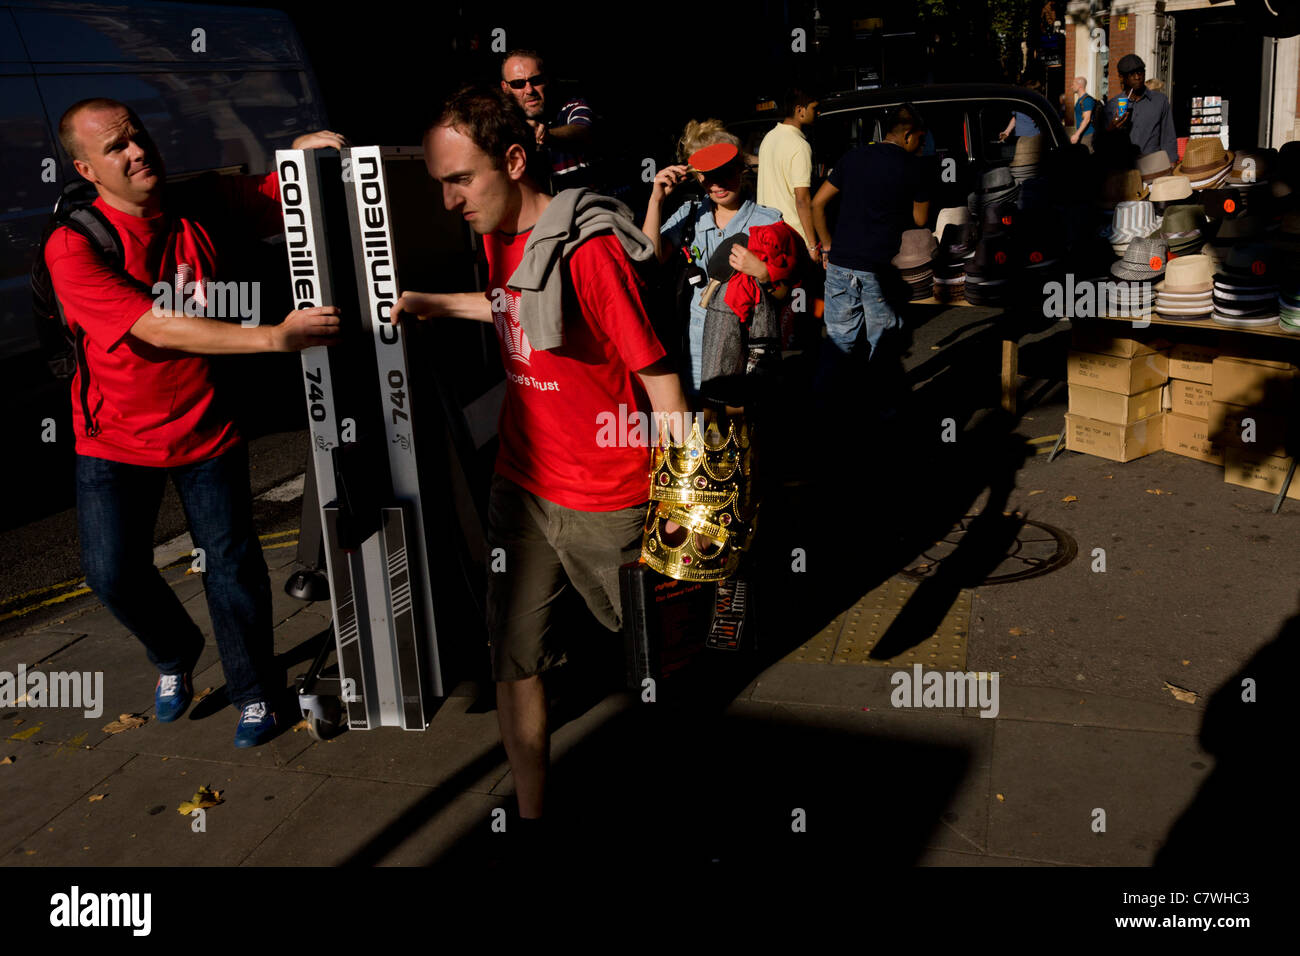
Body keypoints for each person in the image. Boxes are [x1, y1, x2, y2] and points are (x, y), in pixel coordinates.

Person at [391, 87, 689, 833]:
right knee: (512, 659)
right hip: (521, 490)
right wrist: (435, 301)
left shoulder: (589, 257)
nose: (451, 201)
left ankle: (682, 806)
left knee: (660, 667)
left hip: (609, 500)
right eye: (441, 184)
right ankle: (532, 820)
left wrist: (690, 505)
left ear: (515, 161)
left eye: (462, 179)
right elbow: (509, 305)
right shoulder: (494, 237)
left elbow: (659, 380)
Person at [44, 98, 343, 747]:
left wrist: (306, 154)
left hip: (206, 429)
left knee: (232, 566)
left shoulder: (202, 204)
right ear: (86, 168)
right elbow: (156, 326)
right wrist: (273, 338)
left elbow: (281, 191)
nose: (137, 150)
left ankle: (256, 693)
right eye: (117, 147)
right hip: (114, 438)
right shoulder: (74, 246)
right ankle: (174, 652)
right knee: (111, 572)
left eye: (139, 135)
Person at [642, 119, 783, 394]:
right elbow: (650, 259)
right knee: (699, 432)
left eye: (726, 172)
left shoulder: (767, 222)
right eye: (707, 175)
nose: (717, 184)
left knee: (738, 432)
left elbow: (785, 295)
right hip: (693, 350)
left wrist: (763, 273)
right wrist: (656, 200)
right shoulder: (689, 215)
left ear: (741, 168)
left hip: (748, 350)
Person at [810, 103, 929, 391]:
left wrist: (827, 245)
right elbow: (920, 219)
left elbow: (817, 203)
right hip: (877, 268)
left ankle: (826, 407)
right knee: (883, 344)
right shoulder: (914, 168)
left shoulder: (854, 156)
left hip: (839, 262)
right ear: (909, 135)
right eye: (922, 140)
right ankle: (882, 410)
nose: (923, 146)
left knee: (839, 342)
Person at [500, 49, 596, 191]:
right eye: (518, 84)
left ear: (547, 80)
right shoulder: (501, 125)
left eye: (536, 81)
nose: (529, 90)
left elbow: (583, 130)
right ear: (505, 88)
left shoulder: (571, 107)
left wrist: (547, 135)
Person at [756, 87, 820, 261]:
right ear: (800, 110)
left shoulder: (769, 137)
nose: (818, 113)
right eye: (814, 108)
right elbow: (802, 199)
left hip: (767, 232)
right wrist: (813, 246)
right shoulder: (800, 145)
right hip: (794, 237)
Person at [1104, 54, 1178, 163]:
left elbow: (1168, 136)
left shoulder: (1160, 101)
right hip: (1124, 169)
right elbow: (1100, 144)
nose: (1137, 77)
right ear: (1121, 77)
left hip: (1153, 166)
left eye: (1140, 72)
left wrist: (1171, 162)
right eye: (1132, 74)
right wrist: (1111, 128)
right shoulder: (1112, 105)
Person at [1070, 76, 1097, 151]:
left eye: (1073, 84)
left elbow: (1087, 119)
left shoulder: (1087, 100)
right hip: (1083, 134)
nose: (1071, 86)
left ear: (1080, 86)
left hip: (1088, 135)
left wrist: (1076, 134)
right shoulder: (1080, 100)